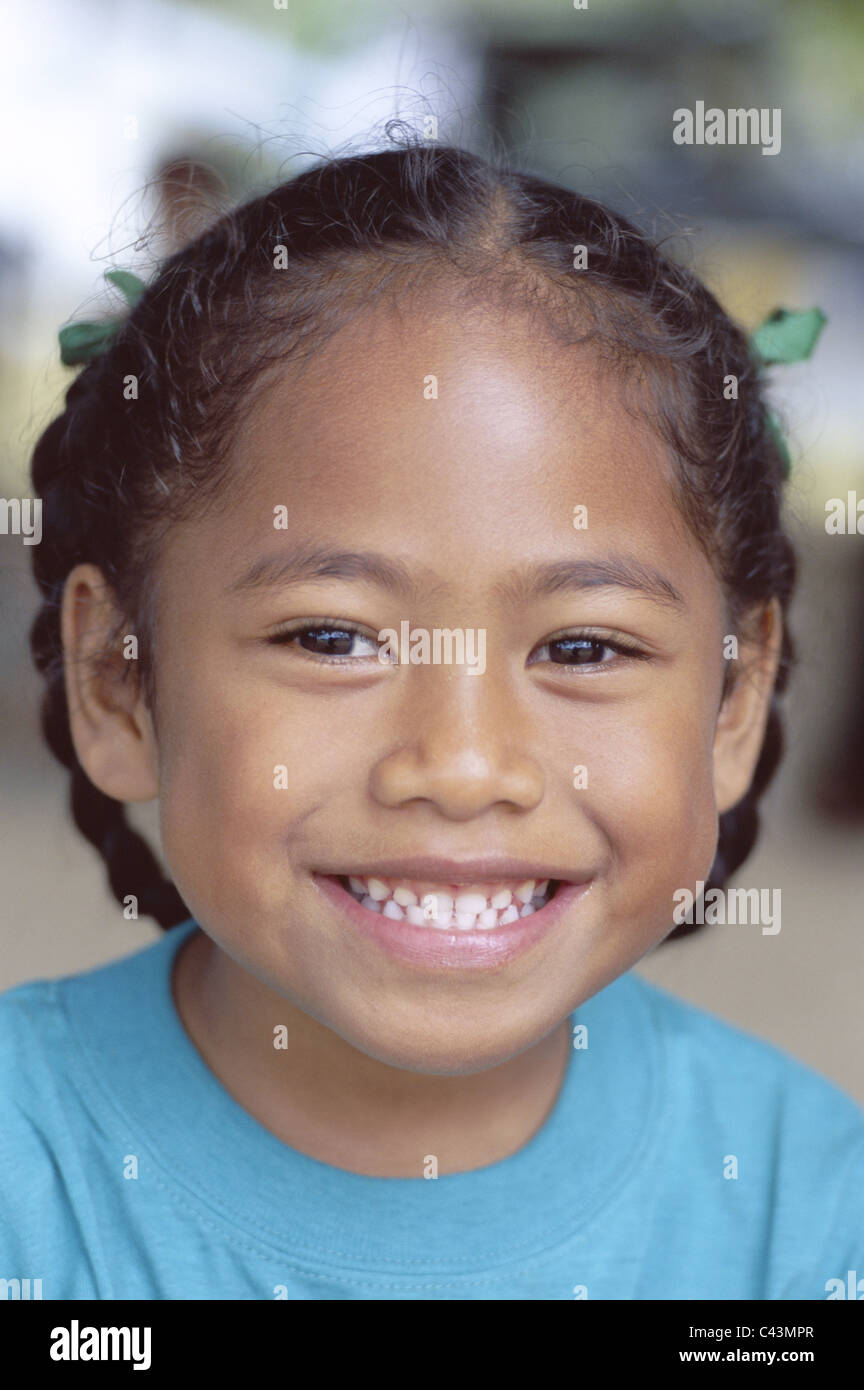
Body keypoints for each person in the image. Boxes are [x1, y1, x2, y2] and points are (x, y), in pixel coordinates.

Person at [2, 142, 862, 1300]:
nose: (460, 766)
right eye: (331, 638)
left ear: (733, 701)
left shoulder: (807, 1216)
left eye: (583, 648)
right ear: (118, 677)